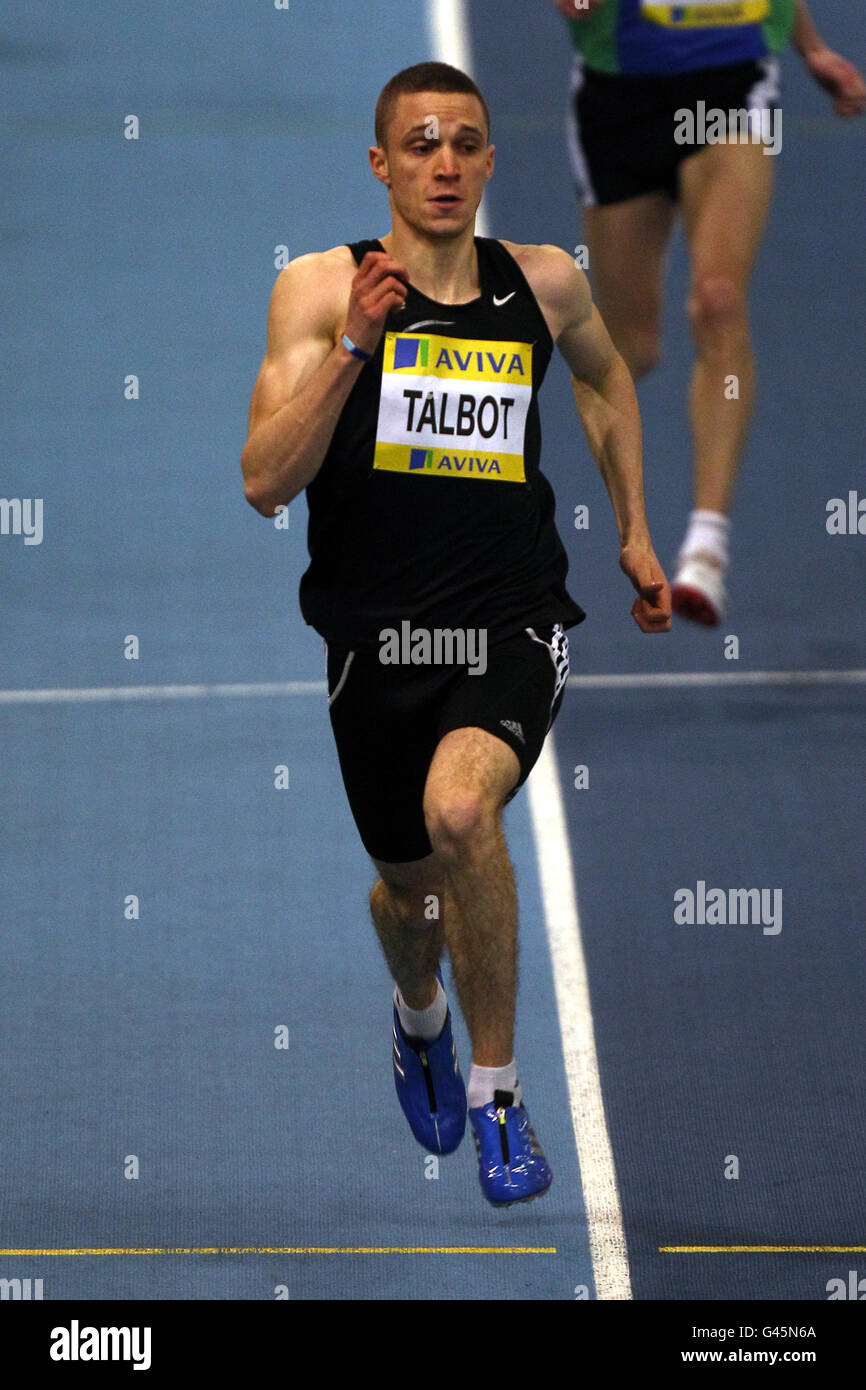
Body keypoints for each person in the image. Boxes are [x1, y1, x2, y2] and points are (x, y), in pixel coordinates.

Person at [241, 62, 671, 1206]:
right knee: (408, 896)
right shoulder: (319, 292)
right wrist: (352, 353)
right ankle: (418, 1018)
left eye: (464, 144)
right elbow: (261, 482)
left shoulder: (542, 283)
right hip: (371, 645)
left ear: (487, 161)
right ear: (380, 164)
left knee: (458, 809)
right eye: (419, 144)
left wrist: (631, 527)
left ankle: (498, 1097)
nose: (443, 163)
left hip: (509, 619)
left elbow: (602, 380)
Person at [555, 0, 865, 623]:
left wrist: (810, 48)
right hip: (620, 95)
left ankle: (706, 549)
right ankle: (626, 533)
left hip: (730, 81)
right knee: (624, 352)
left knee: (719, 298)